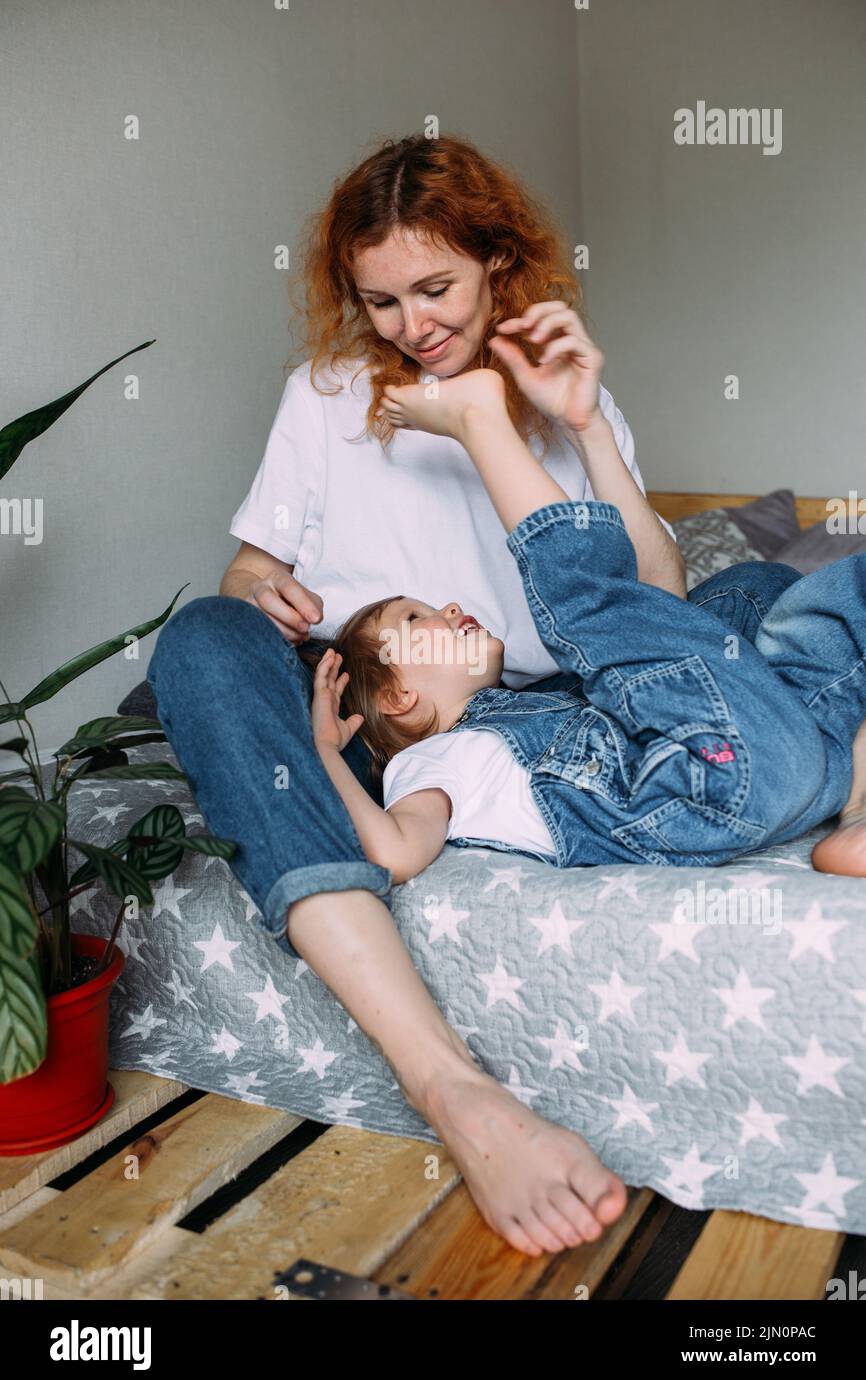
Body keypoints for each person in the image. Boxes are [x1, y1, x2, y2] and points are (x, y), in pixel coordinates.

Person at [147, 133, 788, 1258]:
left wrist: (584, 425)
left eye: (434, 287)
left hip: (547, 702)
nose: (411, 324)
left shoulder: (557, 396)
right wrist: (261, 587)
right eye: (379, 299)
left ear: (498, 261)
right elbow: (252, 566)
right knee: (203, 636)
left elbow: (658, 607)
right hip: (366, 709)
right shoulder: (327, 394)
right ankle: (455, 1091)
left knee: (759, 588)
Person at [309, 367, 866, 885]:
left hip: (801, 764)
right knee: (596, 614)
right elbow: (395, 851)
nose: (449, 608)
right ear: (398, 695)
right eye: (416, 618)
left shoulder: (539, 699)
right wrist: (327, 756)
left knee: (755, 589)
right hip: (709, 784)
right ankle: (479, 424)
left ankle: (859, 812)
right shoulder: (430, 763)